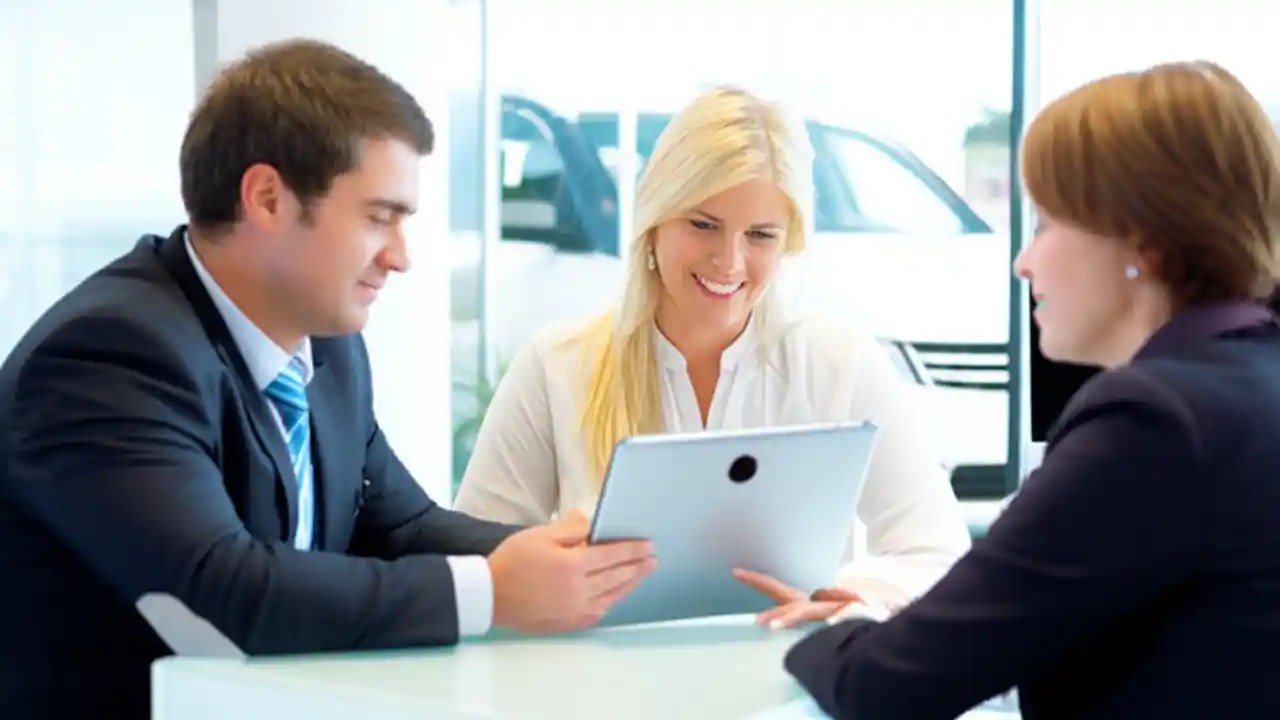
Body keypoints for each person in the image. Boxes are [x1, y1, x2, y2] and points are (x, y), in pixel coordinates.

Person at [0, 39, 654, 718]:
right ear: (267, 198)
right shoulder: (107, 357)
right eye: (379, 218)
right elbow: (226, 589)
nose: (400, 257)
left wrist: (570, 560)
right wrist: (491, 589)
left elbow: (401, 526)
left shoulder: (326, 346)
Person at [783, 60, 1280, 719]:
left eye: (1045, 224)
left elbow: (886, 688)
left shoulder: (1155, 424)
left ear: (1145, 246)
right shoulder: (1252, 382)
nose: (1024, 261)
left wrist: (820, 638)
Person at [453, 86, 970, 618]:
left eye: (761, 235)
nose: (730, 260)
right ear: (653, 224)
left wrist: (841, 598)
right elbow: (478, 558)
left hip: (784, 686)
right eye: (703, 225)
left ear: (788, 242)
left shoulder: (840, 364)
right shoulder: (555, 367)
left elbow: (936, 551)